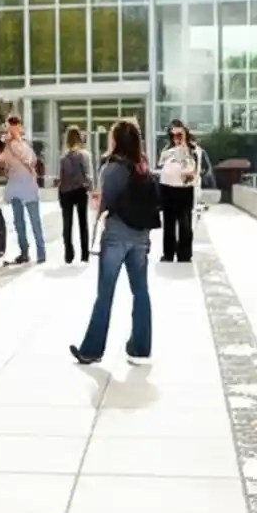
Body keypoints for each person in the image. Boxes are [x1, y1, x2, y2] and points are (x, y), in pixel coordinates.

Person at [70, 118, 155, 367]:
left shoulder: (111, 167)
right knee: (141, 291)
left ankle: (92, 349)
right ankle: (141, 347)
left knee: (105, 293)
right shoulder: (143, 167)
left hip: (116, 234)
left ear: (116, 140)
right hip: (140, 235)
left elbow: (104, 202)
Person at [0, 114, 46, 265]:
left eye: (15, 125)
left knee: (34, 220)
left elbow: (31, 161)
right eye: (10, 126)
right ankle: (25, 252)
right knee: (19, 222)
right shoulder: (8, 145)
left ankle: (40, 252)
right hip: (16, 185)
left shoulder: (23, 145)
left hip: (27, 185)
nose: (12, 129)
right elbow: (2, 161)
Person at [158, 119, 199, 263]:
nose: (176, 138)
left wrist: (184, 147)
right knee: (168, 222)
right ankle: (168, 253)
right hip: (167, 187)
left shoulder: (192, 150)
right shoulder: (167, 150)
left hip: (184, 189)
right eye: (173, 135)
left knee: (184, 222)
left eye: (179, 135)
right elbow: (161, 163)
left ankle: (185, 253)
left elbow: (193, 169)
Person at [57, 126, 94, 264]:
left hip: (66, 192)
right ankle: (84, 254)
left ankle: (68, 254)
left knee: (67, 223)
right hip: (80, 190)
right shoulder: (85, 155)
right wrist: (91, 187)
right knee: (83, 222)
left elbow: (60, 177)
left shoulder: (63, 157)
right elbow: (88, 174)